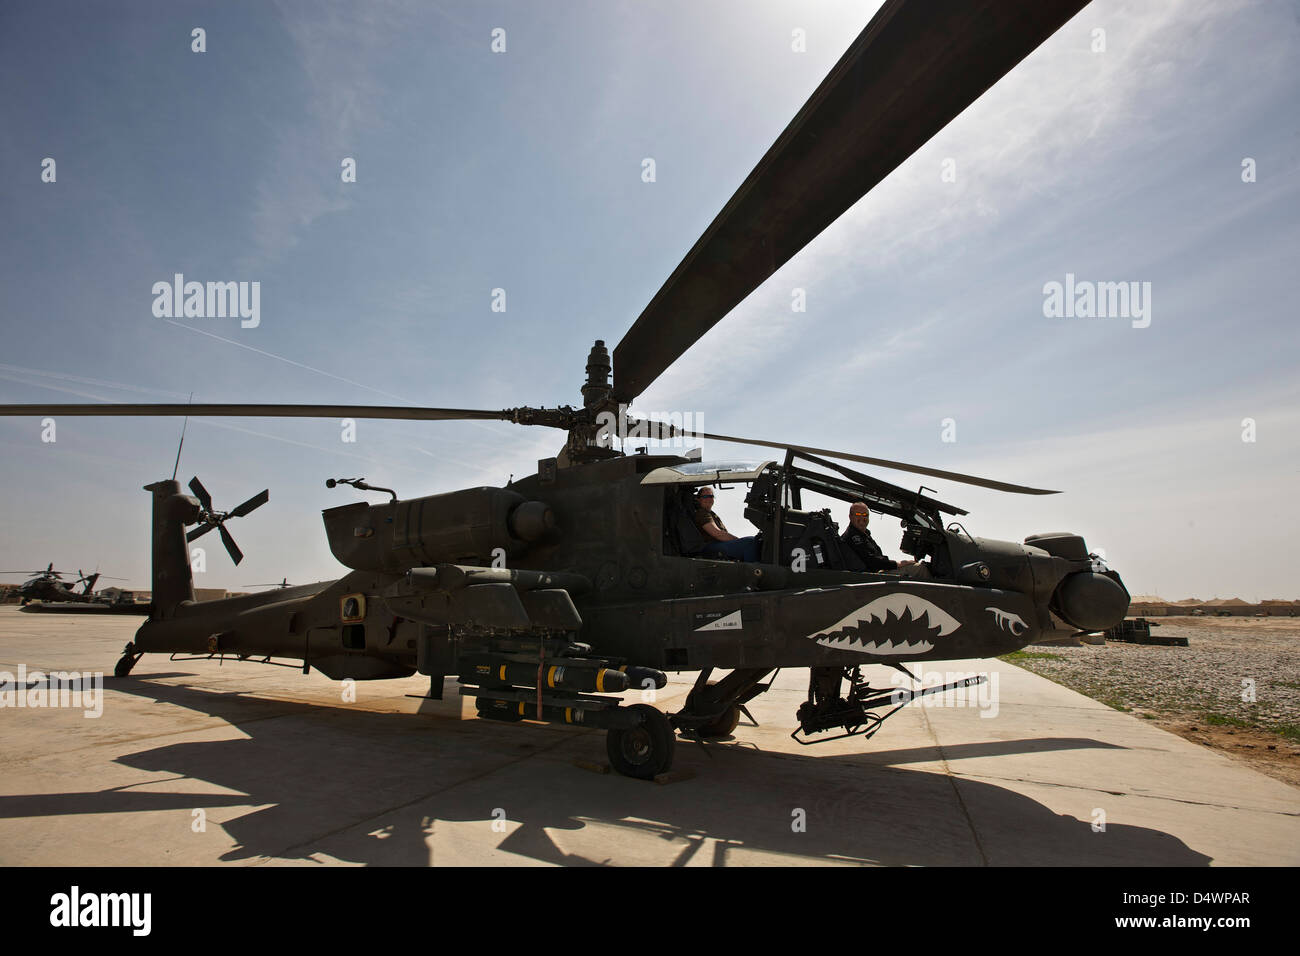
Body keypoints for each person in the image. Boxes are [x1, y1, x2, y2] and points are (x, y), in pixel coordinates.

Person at [841, 502, 927, 576]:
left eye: (865, 515)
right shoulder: (853, 537)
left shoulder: (864, 534)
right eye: (858, 514)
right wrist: (898, 564)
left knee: (914, 566)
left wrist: (897, 564)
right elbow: (872, 562)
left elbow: (877, 558)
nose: (862, 518)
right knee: (919, 569)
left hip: (876, 573)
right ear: (850, 517)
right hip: (870, 577)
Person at [694, 486, 761, 562]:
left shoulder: (711, 514)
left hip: (717, 545)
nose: (709, 498)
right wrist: (739, 541)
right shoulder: (702, 513)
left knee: (754, 541)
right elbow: (717, 534)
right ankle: (754, 571)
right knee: (750, 542)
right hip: (709, 547)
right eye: (705, 496)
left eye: (711, 496)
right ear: (699, 499)